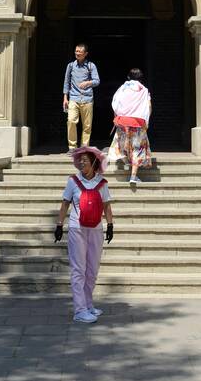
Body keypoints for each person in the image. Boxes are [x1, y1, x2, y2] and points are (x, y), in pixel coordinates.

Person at [54, 145, 114, 325]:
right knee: (78, 269)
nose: (81, 163)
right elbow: (65, 203)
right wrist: (59, 224)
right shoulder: (73, 181)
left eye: (85, 160)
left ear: (93, 163)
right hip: (77, 229)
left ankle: (88, 305)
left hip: (96, 229)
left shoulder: (102, 183)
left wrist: (110, 225)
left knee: (92, 270)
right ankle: (79, 310)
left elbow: (107, 206)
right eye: (79, 160)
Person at [106, 68, 152, 189]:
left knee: (123, 144)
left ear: (128, 77)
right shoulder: (144, 90)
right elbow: (148, 106)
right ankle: (133, 176)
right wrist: (146, 121)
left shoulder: (122, 88)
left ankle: (126, 162)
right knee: (137, 148)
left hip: (123, 121)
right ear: (141, 78)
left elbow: (115, 103)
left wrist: (116, 117)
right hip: (137, 122)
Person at [62, 43, 100, 149]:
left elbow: (97, 81)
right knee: (71, 121)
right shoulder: (70, 66)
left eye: (79, 51)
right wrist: (65, 97)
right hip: (74, 98)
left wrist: (88, 83)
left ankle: (84, 147)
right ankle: (72, 146)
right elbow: (66, 82)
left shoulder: (91, 66)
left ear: (85, 54)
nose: (77, 53)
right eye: (76, 51)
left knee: (87, 126)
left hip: (87, 98)